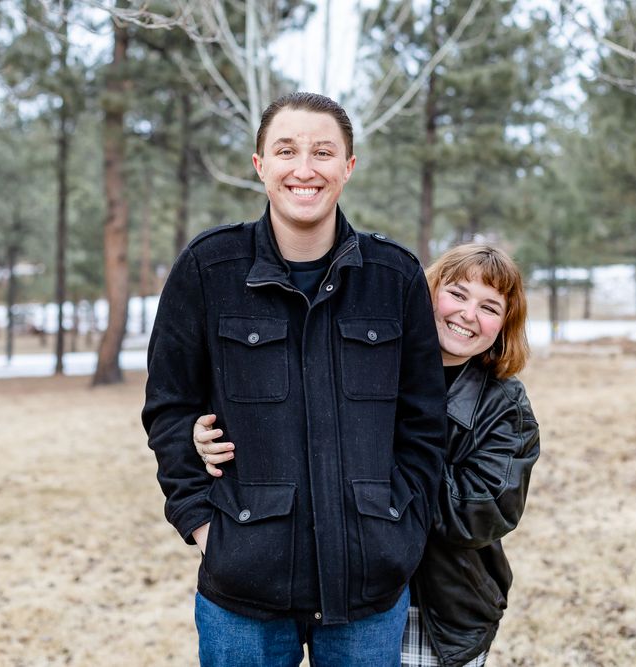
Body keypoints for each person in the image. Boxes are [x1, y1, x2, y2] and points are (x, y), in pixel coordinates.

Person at [141, 92, 447, 666]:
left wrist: (398, 532)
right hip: (243, 592)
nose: (304, 169)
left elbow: (423, 423)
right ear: (260, 165)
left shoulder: (395, 277)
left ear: (348, 167)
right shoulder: (208, 269)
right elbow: (169, 408)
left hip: (368, 591)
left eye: (323, 152)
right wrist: (204, 527)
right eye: (286, 150)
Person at [196, 244, 540, 666]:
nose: (468, 314)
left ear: (505, 324)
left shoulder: (504, 405)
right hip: (345, 584)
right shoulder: (368, 365)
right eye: (457, 293)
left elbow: (481, 510)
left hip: (436, 606)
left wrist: (387, 462)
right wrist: (205, 435)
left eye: (490, 307)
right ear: (425, 293)